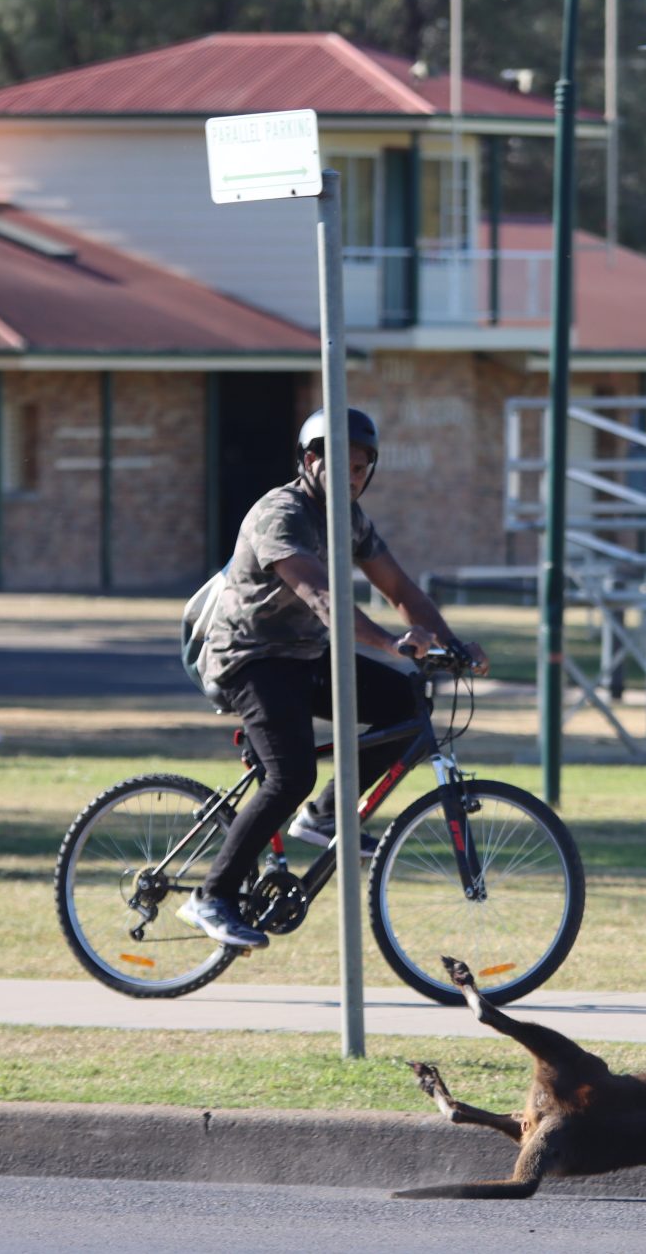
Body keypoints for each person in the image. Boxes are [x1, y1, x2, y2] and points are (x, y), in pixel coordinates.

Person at [177, 406, 489, 950]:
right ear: (309, 460)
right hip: (249, 657)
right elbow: (323, 598)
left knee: (402, 702)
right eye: (339, 463)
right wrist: (392, 643)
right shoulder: (281, 513)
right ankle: (212, 896)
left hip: (304, 656)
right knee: (289, 774)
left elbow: (402, 592)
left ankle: (325, 817)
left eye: (362, 466)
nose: (352, 475)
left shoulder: (351, 518)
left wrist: (452, 645)